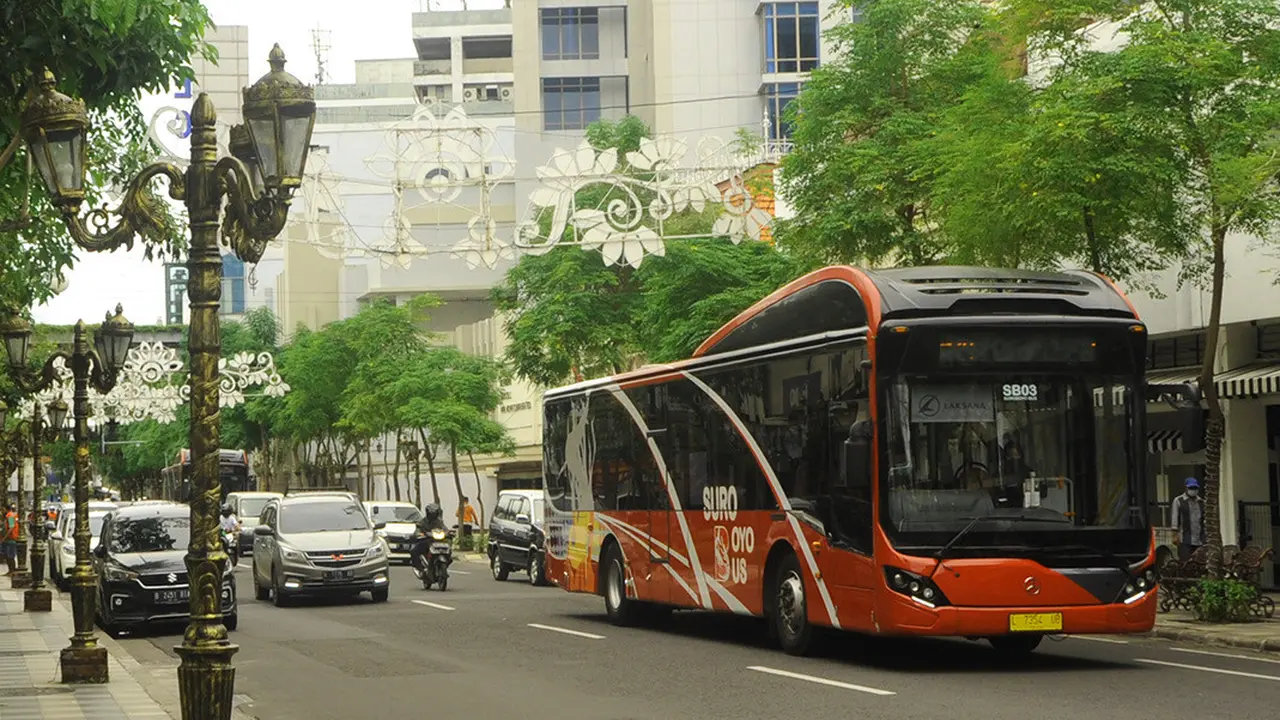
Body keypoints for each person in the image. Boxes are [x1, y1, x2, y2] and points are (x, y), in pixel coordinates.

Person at [1170, 477, 1206, 562]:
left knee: (1200, 562)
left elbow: (1204, 520)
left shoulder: (1201, 502)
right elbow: (1175, 518)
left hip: (1200, 539)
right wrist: (1174, 535)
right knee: (1185, 562)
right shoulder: (1179, 500)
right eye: (1191, 488)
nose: (1193, 490)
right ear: (1186, 488)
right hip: (1184, 539)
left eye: (1195, 488)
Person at [411, 503, 448, 570]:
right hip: (427, 541)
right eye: (431, 513)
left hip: (438, 542)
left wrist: (448, 533)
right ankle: (419, 567)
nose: (433, 515)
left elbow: (444, 528)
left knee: (448, 548)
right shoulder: (422, 522)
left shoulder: (439, 521)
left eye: (434, 513)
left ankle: (446, 561)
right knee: (414, 550)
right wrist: (419, 534)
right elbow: (418, 530)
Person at [2, 502, 18, 575]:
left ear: (6, 509)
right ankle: (10, 571)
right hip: (7, 539)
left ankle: (13, 571)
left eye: (3, 509)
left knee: (10, 556)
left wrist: (5, 537)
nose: (2, 511)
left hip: (11, 539)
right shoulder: (7, 516)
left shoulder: (10, 516)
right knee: (7, 556)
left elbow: (11, 527)